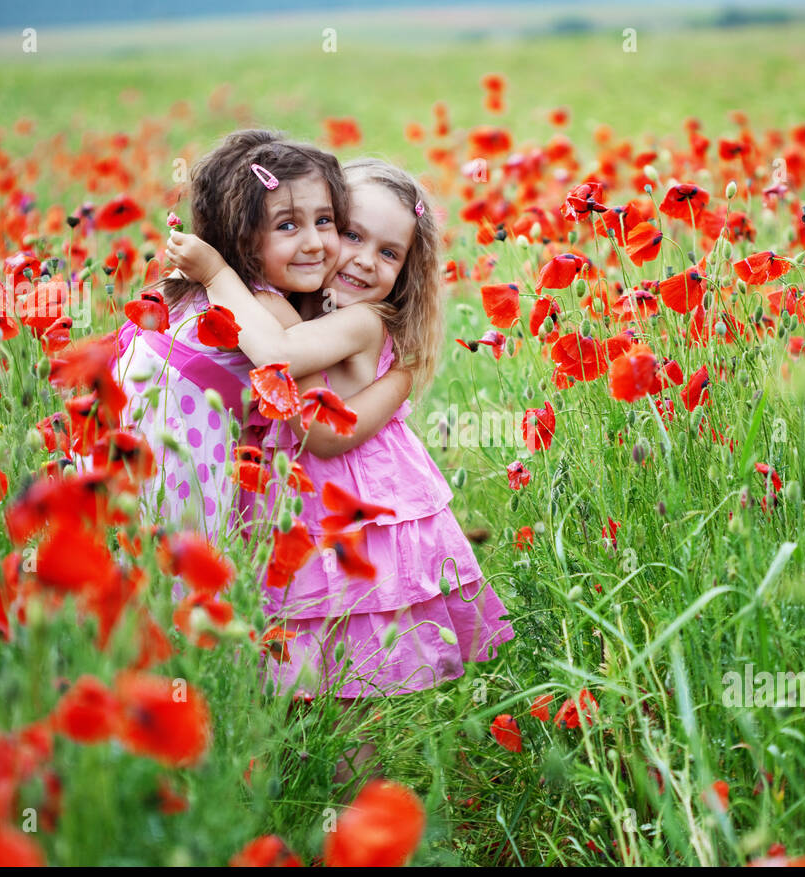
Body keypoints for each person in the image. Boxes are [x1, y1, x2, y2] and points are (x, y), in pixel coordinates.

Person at [167, 159, 514, 777]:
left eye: (389, 252)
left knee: (351, 685)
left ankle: (352, 815)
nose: (361, 260)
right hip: (302, 513)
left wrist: (218, 274)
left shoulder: (361, 321)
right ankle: (301, 800)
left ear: (407, 270)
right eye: (350, 234)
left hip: (353, 518)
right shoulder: (309, 309)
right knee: (294, 670)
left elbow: (314, 419)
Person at [111, 131, 409, 543]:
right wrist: (400, 379)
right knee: (182, 566)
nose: (314, 243)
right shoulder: (259, 302)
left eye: (325, 221)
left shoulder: (201, 283)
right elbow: (284, 367)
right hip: (177, 449)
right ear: (240, 235)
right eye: (287, 225)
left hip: (132, 439)